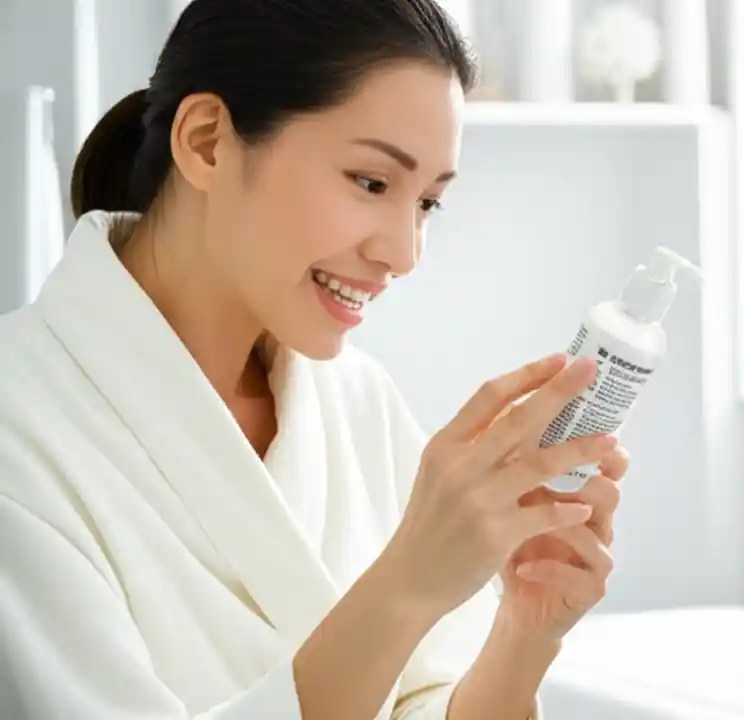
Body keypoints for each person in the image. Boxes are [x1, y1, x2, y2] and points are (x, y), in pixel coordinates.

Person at [0, 1, 629, 718]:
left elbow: (427, 701)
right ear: (207, 142)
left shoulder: (357, 400)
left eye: (427, 203)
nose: (403, 253)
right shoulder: (20, 424)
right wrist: (410, 584)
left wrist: (523, 634)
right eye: (371, 182)